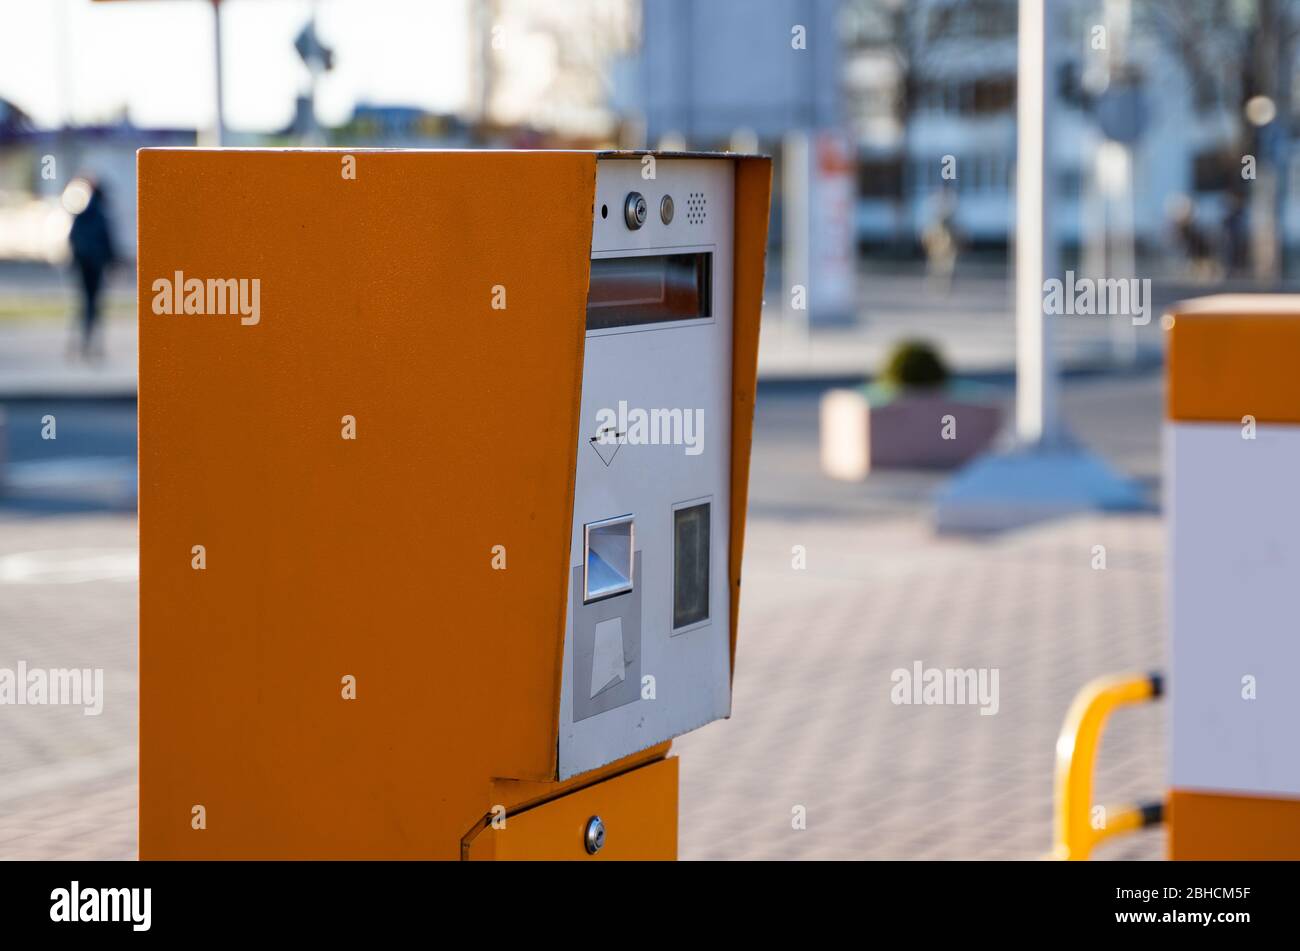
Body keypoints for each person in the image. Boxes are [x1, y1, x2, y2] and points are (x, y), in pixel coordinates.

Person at [67, 180, 116, 360]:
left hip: (83, 264)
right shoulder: (100, 215)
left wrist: (75, 259)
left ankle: (81, 343)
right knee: (94, 304)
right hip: (96, 264)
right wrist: (112, 261)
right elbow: (108, 241)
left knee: (84, 303)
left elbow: (72, 238)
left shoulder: (81, 213)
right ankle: (92, 344)